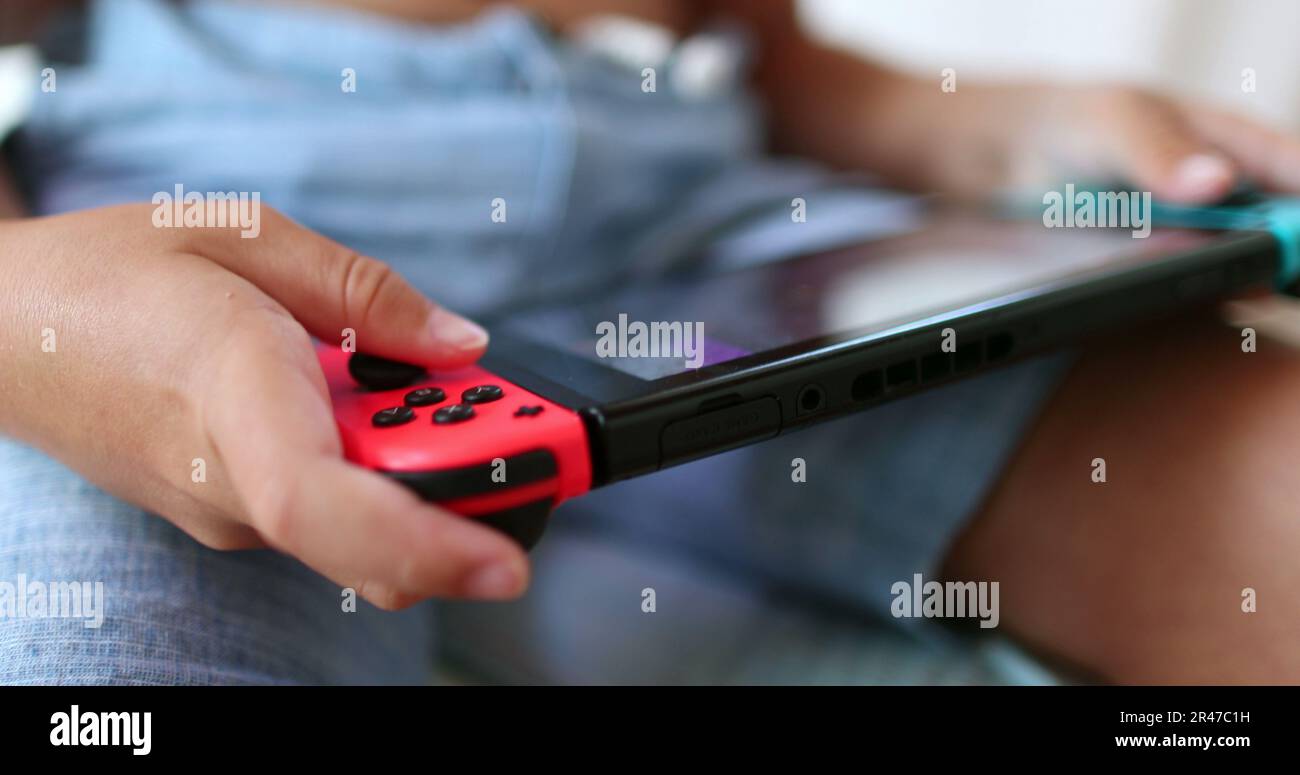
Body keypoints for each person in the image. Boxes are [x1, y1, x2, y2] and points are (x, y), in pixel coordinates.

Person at [2, 0, 1298, 684]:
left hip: (720, 243)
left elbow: (780, 62)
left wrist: (1022, 129)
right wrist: (30, 304)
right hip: (215, 292)